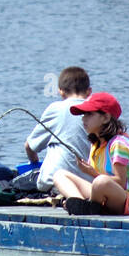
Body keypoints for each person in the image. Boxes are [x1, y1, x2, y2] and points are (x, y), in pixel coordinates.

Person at [53, 92, 129, 216]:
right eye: (83, 114)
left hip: (128, 201)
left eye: (89, 114)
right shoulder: (96, 144)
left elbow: (120, 182)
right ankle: (80, 203)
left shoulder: (119, 144)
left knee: (101, 182)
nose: (83, 118)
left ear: (106, 118)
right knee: (60, 175)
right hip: (102, 195)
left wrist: (92, 172)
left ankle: (90, 206)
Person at [23, 66, 94, 195]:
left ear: (60, 91)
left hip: (54, 181)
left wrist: (34, 163)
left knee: (17, 183)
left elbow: (30, 146)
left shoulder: (55, 108)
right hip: (89, 182)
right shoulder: (97, 114)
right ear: (89, 91)